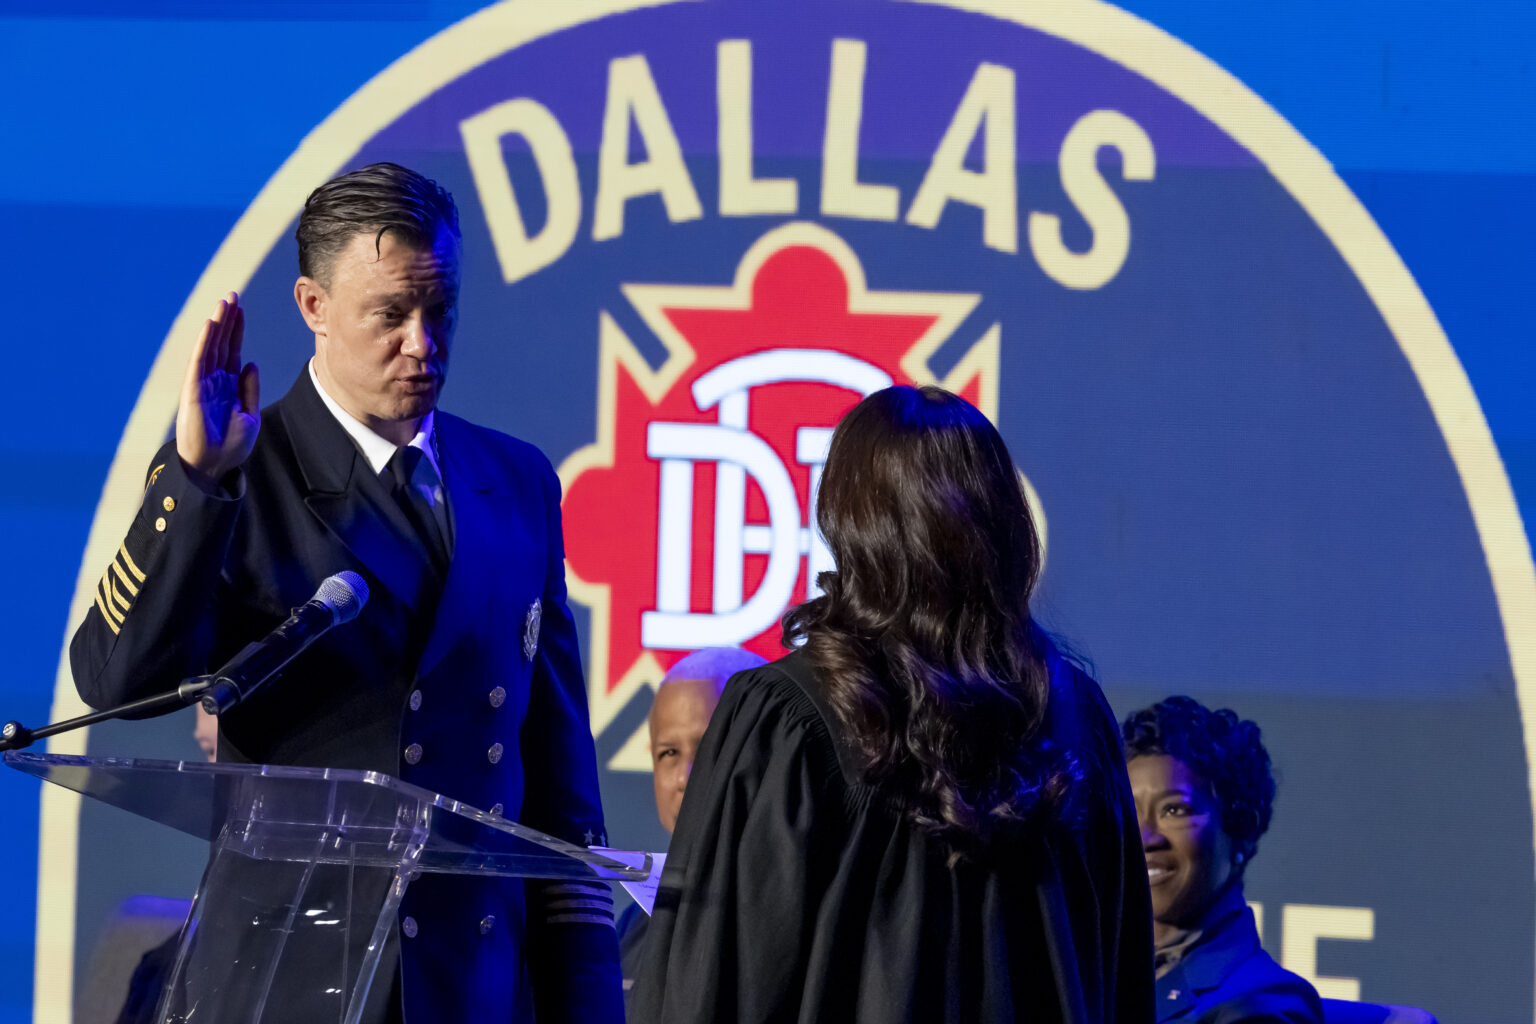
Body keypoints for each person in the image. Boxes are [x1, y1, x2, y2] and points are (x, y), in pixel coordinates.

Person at [70, 162, 621, 1023]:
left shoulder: (513, 481)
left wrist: (587, 997)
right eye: (391, 315)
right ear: (313, 308)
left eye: (440, 311)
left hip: (470, 987)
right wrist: (197, 481)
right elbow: (116, 684)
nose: (423, 343)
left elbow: (555, 780)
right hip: (292, 979)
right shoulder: (243, 470)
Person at [630, 385, 1155, 1024]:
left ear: (848, 521)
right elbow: (1121, 978)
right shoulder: (1075, 714)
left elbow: (712, 982)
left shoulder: (783, 718)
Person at [1123, 696, 1323, 1023]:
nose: (1145, 838)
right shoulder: (1090, 972)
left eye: (1175, 810)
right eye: (1128, 811)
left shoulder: (1260, 1005)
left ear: (1240, 830)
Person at [616, 647, 767, 996]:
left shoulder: (808, 912)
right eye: (669, 753)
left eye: (710, 748)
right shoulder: (633, 927)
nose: (686, 778)